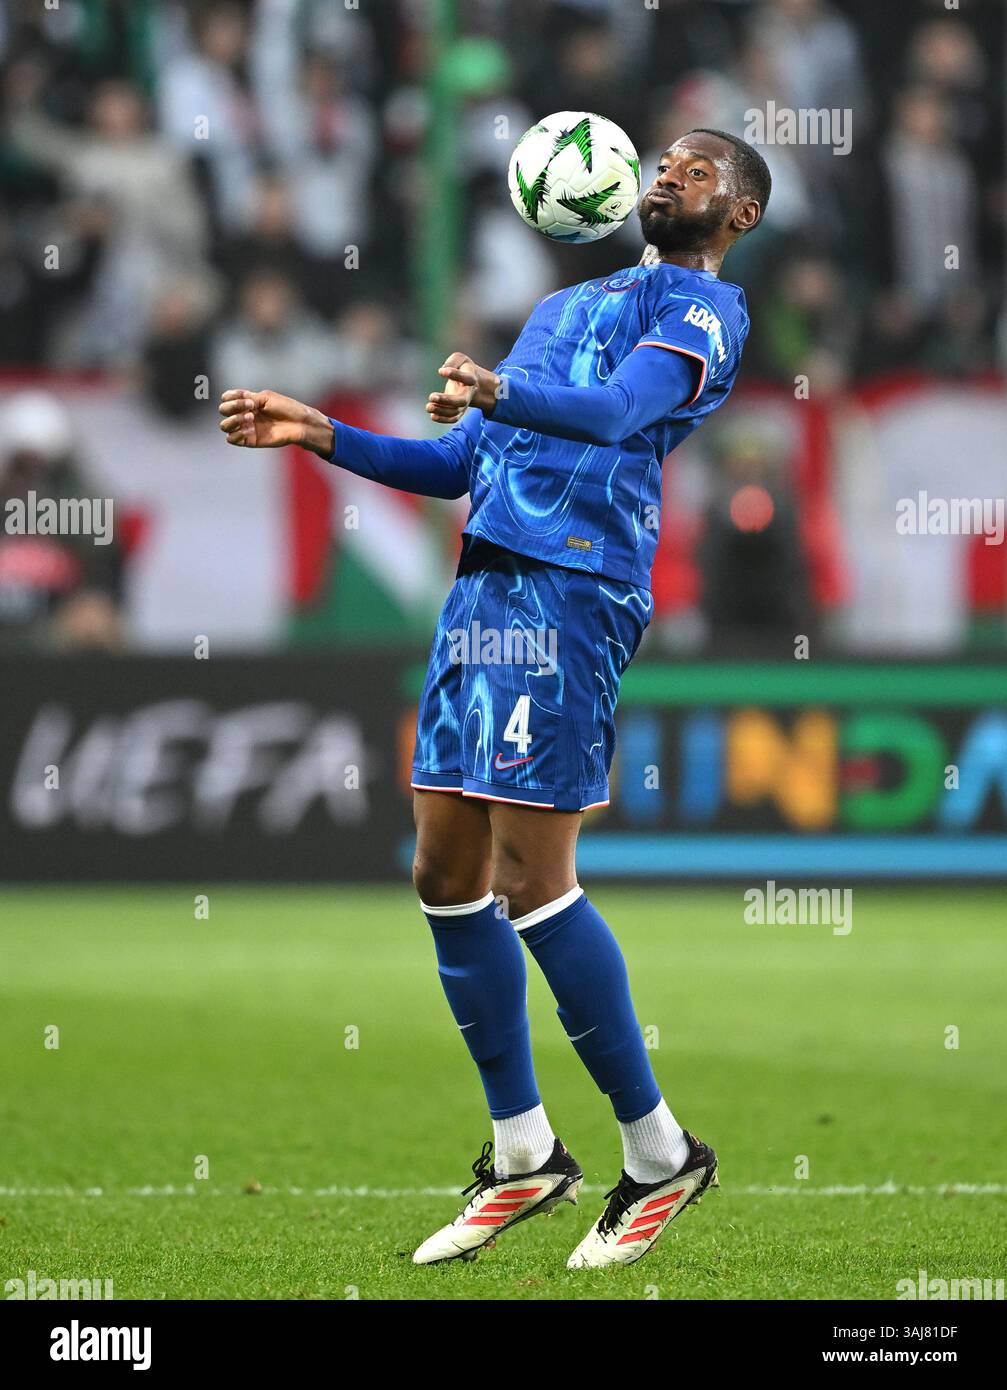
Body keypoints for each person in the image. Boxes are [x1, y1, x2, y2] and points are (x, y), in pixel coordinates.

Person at [219, 128, 770, 1268]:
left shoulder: (708, 312)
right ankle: (523, 1154)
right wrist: (319, 432)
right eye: (663, 159)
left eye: (700, 170)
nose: (671, 172)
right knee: (440, 868)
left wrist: (502, 385)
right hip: (482, 588)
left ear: (739, 217)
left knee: (533, 879)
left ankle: (659, 1152)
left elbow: (618, 415)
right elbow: (462, 460)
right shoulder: (559, 307)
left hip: (573, 588)